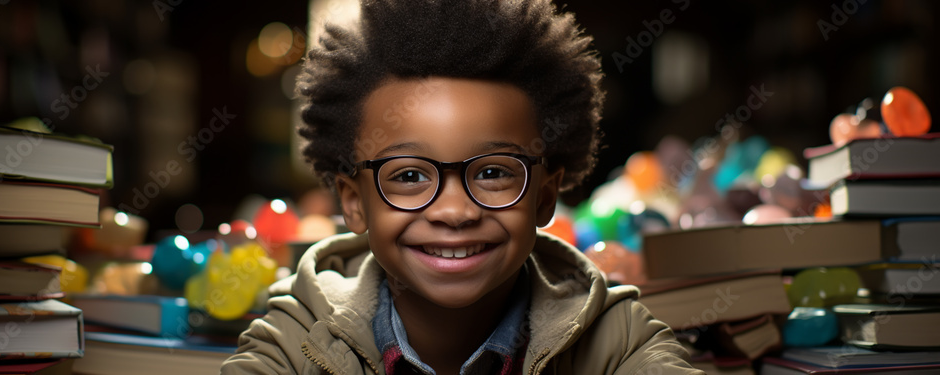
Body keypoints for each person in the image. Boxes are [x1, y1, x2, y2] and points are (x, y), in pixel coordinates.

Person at [221, 0, 703, 373]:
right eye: (408, 176)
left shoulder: (618, 341)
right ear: (355, 203)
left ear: (544, 196)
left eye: (493, 172)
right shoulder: (294, 339)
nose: (454, 211)